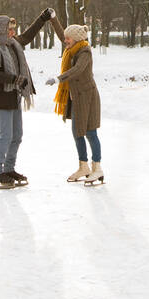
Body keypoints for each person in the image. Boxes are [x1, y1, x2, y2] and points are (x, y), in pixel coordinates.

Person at [0, 8, 54, 189]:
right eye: (9, 29)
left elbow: (29, 35)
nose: (13, 32)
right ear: (0, 30)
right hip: (2, 98)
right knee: (6, 136)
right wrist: (14, 79)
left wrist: (43, 17)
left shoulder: (13, 44)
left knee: (17, 135)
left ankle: (9, 168)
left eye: (13, 29)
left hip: (15, 97)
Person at [50, 14, 104, 186]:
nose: (65, 41)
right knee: (77, 132)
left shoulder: (85, 51)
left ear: (74, 39)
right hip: (76, 98)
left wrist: (59, 78)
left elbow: (78, 69)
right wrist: (53, 18)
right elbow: (62, 34)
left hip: (88, 97)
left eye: (67, 39)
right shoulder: (71, 48)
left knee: (90, 132)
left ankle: (97, 168)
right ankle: (83, 166)